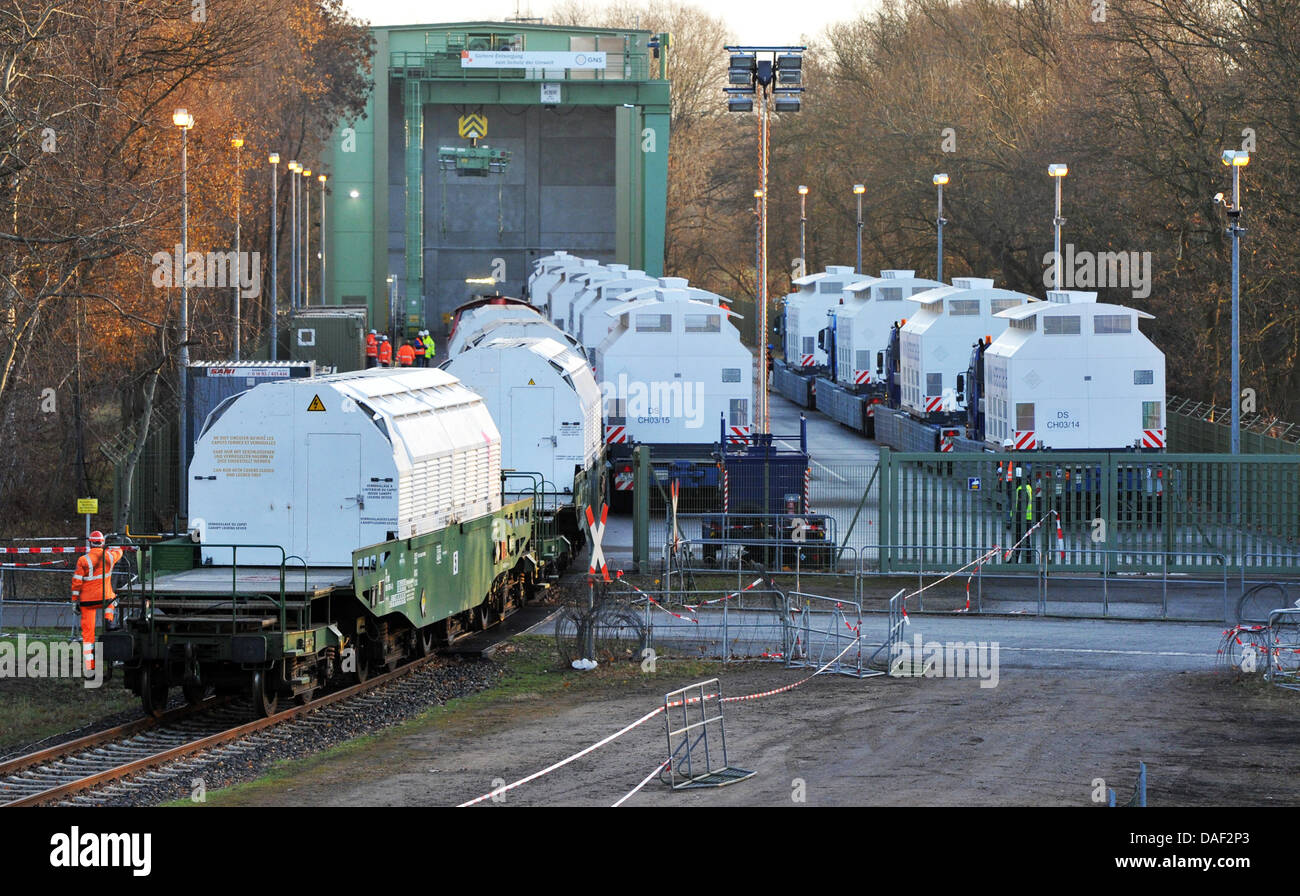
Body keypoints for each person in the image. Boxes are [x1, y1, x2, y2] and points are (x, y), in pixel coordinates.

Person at [70, 531, 124, 672]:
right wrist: (115, 542)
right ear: (102, 543)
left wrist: (75, 601)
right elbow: (119, 551)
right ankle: (108, 620)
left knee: (88, 636)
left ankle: (90, 668)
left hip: (87, 602)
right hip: (105, 598)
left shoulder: (83, 560)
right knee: (113, 599)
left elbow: (76, 583)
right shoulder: (110, 557)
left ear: (90, 543)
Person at [1009, 468, 1035, 564]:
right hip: (1026, 518)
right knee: (1022, 540)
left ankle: (1024, 561)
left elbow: (1021, 506)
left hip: (1021, 519)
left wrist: (1017, 519)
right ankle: (1020, 560)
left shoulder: (1022, 489)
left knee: (1021, 541)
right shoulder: (1027, 487)